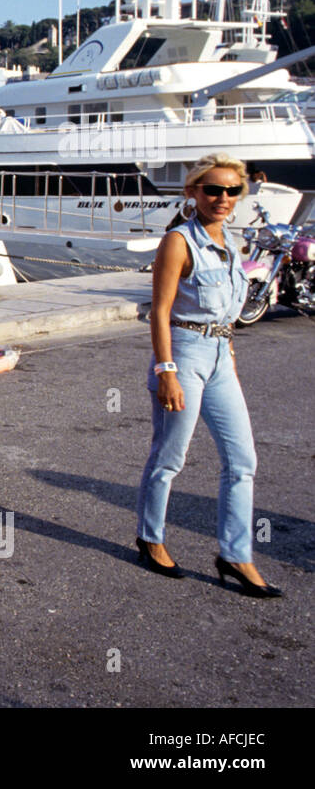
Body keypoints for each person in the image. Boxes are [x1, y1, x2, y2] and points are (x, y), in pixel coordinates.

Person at [135, 153, 281, 598]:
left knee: (242, 461)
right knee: (170, 456)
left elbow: (227, 312)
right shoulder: (180, 241)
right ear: (192, 192)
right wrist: (167, 371)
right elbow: (159, 312)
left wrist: (229, 351)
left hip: (220, 354)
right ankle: (150, 538)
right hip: (183, 354)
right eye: (212, 189)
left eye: (231, 190)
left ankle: (235, 555)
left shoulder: (229, 241)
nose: (222, 198)